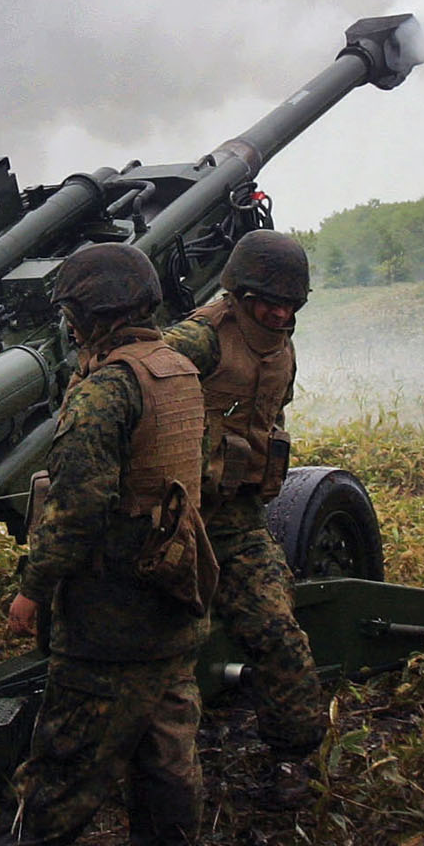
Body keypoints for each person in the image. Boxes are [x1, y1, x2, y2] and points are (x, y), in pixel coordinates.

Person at [0, 243, 213, 846]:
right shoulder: (177, 370)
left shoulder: (105, 391)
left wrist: (32, 590)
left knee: (62, 758)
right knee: (167, 751)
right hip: (176, 588)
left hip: (111, 611)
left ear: (84, 316)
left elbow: (76, 512)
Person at [161, 229, 328, 805]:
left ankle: (292, 759)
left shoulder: (283, 343)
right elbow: (132, 390)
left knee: (277, 631)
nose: (279, 313)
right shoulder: (197, 340)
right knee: (159, 653)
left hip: (237, 521)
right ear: (238, 293)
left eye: (290, 305)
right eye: (268, 302)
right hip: (178, 523)